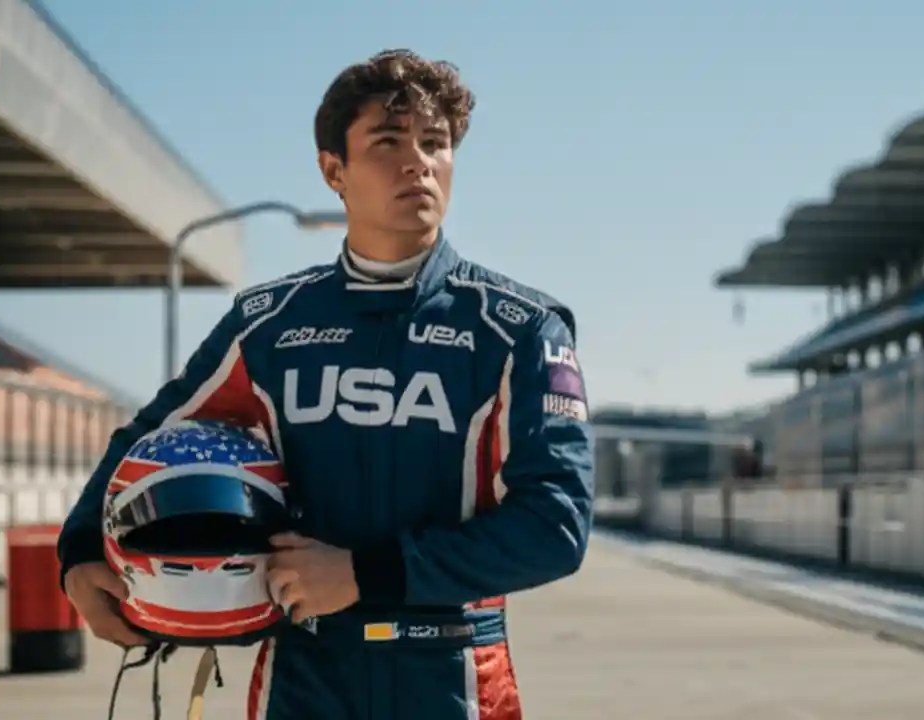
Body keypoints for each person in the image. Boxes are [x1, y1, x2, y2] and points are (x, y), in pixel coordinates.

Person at [57, 48, 595, 719]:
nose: (418, 162)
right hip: (301, 674)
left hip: (453, 675)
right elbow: (147, 439)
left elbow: (557, 526)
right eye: (388, 142)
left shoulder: (517, 329)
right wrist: (78, 552)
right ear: (333, 170)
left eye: (436, 143)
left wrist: (365, 574)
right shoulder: (268, 326)